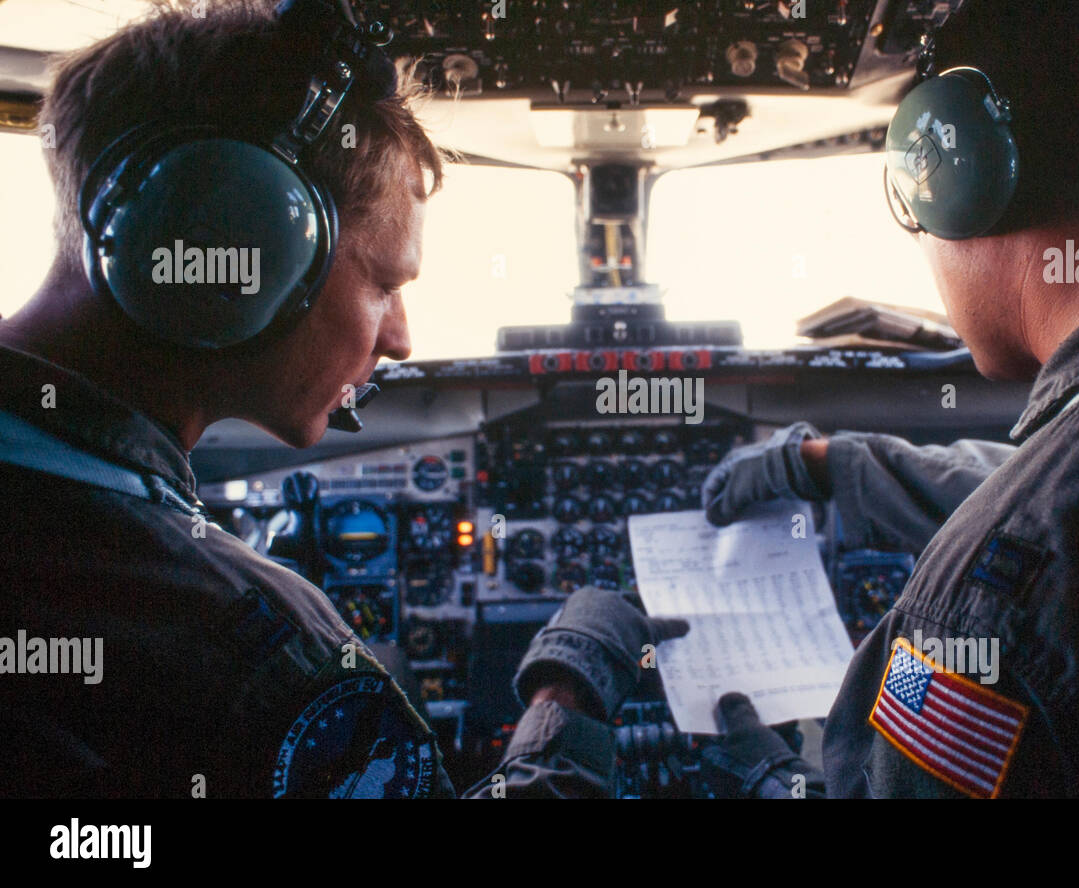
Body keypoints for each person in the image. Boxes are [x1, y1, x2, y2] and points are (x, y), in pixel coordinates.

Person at [0, 0, 682, 799]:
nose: (400, 339)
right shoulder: (262, 654)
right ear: (236, 247)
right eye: (385, 283)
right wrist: (567, 691)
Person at [698, 0, 1079, 797]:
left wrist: (770, 772)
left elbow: (1053, 536)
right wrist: (835, 464)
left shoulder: (973, 627)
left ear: (958, 180)